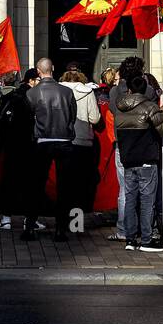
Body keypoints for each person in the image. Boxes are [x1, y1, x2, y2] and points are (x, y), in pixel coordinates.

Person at [114, 75, 163, 252]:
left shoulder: (120, 108)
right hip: (146, 159)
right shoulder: (150, 107)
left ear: (128, 89)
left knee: (130, 199)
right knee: (147, 201)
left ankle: (130, 239)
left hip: (128, 159)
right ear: (146, 90)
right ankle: (146, 239)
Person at [25, 57, 77, 241]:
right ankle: (61, 230)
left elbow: (28, 119)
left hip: (42, 141)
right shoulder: (67, 92)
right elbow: (72, 116)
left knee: (36, 185)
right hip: (64, 140)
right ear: (52, 68)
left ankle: (30, 227)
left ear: (38, 72)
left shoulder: (32, 94)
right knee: (64, 187)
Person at [0, 69, 42, 231]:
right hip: (28, 145)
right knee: (29, 183)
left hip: (9, 145)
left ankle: (6, 219)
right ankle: (29, 219)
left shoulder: (9, 96)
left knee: (8, 180)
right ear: (31, 80)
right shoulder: (32, 96)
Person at [107, 57, 145, 241]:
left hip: (122, 142)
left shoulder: (115, 91)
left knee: (125, 188)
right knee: (146, 190)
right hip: (143, 143)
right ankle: (144, 229)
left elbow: (115, 111)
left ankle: (124, 229)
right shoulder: (147, 88)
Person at [60, 66, 102, 215]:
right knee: (81, 180)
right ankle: (78, 217)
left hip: (63, 138)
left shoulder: (59, 91)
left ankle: (65, 216)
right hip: (83, 140)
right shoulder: (88, 92)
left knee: (65, 180)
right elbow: (95, 118)